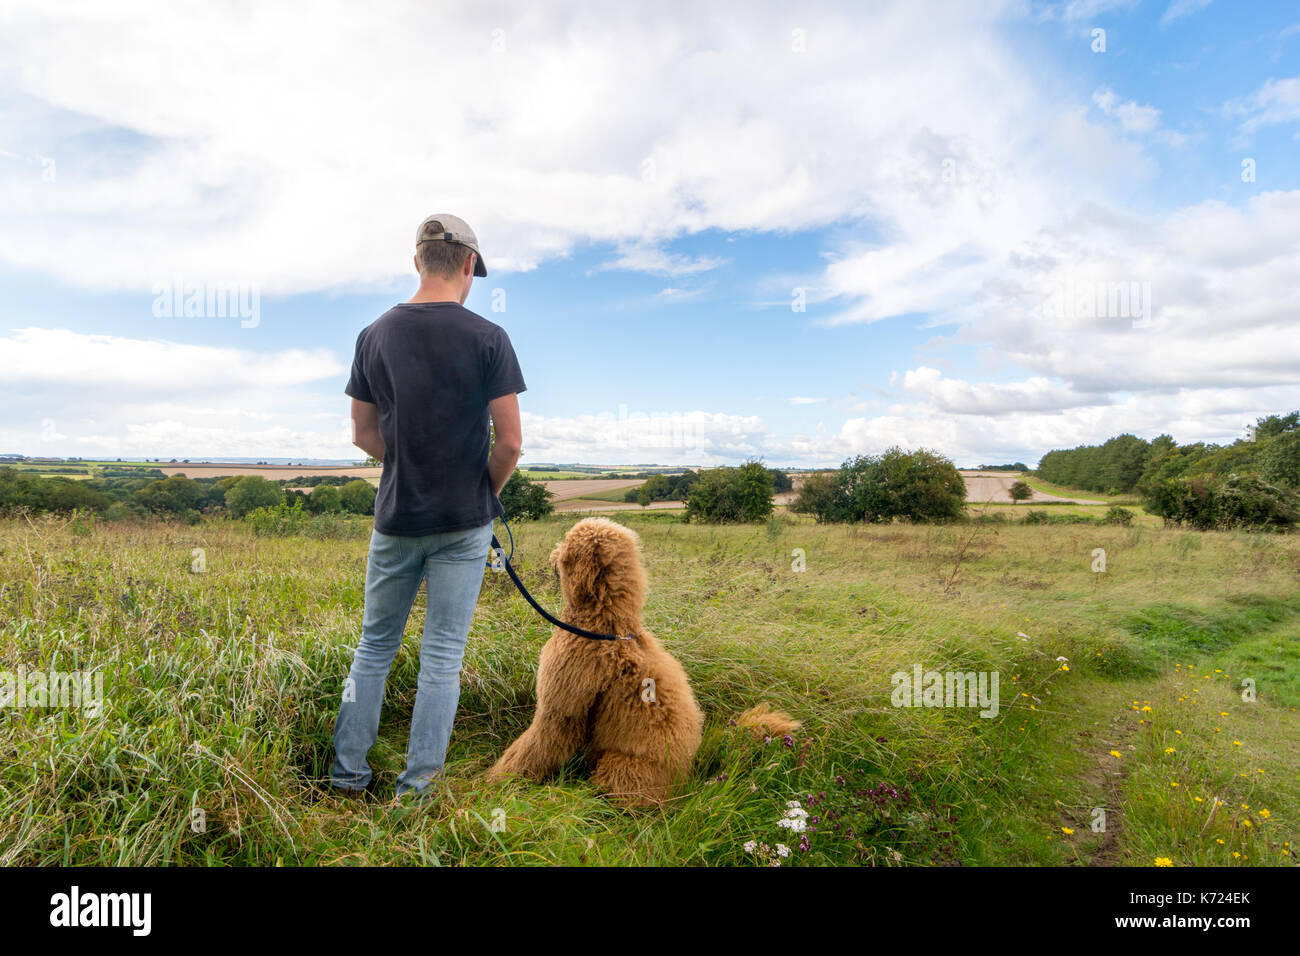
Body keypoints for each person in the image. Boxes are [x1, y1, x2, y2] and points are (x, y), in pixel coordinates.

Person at [330, 213, 525, 799]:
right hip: (463, 522)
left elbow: (363, 435)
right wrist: (480, 493)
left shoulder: (374, 335)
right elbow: (511, 442)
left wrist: (408, 457)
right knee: (442, 656)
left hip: (396, 517)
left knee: (373, 647)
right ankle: (416, 792)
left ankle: (346, 779)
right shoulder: (489, 338)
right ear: (469, 265)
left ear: (417, 261)